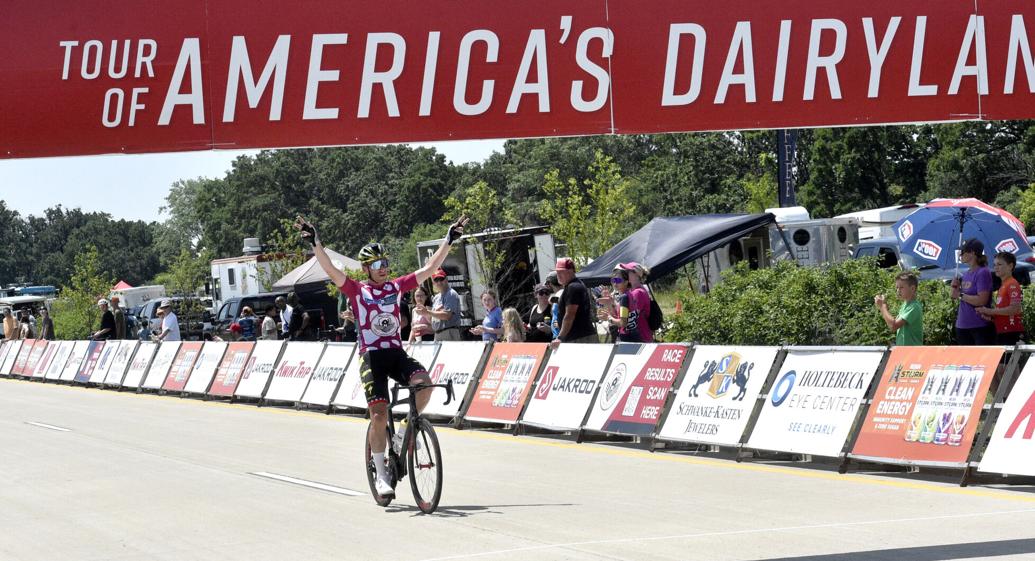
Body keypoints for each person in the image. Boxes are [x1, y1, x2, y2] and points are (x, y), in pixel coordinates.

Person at [296, 213, 468, 499]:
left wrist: (449, 239)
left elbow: (429, 268)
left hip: (395, 352)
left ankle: (402, 434)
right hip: (372, 356)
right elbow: (330, 269)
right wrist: (316, 243)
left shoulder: (396, 286)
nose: (383, 268)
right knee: (378, 413)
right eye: (377, 265)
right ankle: (381, 473)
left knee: (424, 384)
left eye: (385, 263)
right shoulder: (356, 289)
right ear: (366, 269)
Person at [951, 239, 995, 345]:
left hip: (978, 327)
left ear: (972, 253)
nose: (960, 255)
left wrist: (960, 295)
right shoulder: (966, 274)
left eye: (963, 251)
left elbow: (982, 300)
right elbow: (953, 296)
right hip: (962, 326)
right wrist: (954, 287)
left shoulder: (983, 272)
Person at [976, 252, 1025, 345]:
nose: (996, 268)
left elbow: (1015, 309)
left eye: (999, 264)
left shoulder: (1012, 284)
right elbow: (1004, 312)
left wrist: (990, 311)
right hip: (1003, 332)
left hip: (1012, 333)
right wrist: (991, 317)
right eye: (994, 265)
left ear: (1010, 266)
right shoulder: (1003, 285)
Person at [551, 258, 598, 349]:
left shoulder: (573, 287)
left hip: (580, 339)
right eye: (557, 272)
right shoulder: (574, 285)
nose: (558, 275)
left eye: (561, 272)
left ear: (570, 271)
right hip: (580, 337)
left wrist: (560, 337)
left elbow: (570, 315)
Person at [600, 267, 650, 343]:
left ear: (626, 282)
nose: (615, 283)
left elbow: (622, 323)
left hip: (628, 338)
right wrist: (611, 304)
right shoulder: (629, 294)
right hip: (634, 336)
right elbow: (619, 316)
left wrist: (609, 318)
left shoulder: (624, 297)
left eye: (618, 280)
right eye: (613, 280)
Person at [875, 272, 923, 346]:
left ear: (912, 288)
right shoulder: (905, 305)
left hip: (912, 351)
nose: (898, 290)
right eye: (897, 287)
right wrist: (884, 307)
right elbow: (893, 323)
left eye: (901, 287)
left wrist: (882, 307)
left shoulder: (914, 307)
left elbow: (893, 326)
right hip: (903, 350)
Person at [425, 268, 462, 341]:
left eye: (441, 279)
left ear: (446, 279)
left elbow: (447, 316)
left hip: (449, 332)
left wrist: (428, 312)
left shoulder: (451, 294)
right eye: (436, 280)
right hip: (437, 334)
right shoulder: (436, 298)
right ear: (433, 283)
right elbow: (432, 319)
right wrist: (424, 313)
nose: (439, 282)